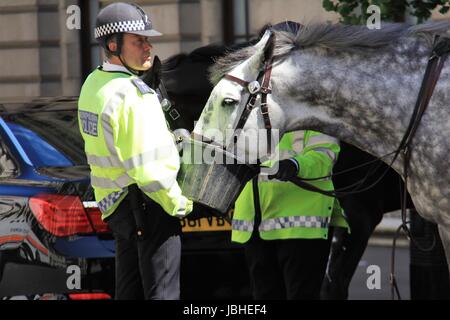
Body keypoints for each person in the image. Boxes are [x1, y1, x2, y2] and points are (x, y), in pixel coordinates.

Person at [78, 2, 192, 300]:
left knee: (128, 291)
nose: (148, 46)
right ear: (113, 45)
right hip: (150, 206)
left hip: (117, 206)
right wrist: (180, 204)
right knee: (162, 293)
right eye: (138, 40)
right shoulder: (133, 93)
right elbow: (149, 169)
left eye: (147, 39)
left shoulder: (93, 82)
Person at [232, 130, 347, 299]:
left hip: (301, 225)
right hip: (255, 224)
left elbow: (323, 157)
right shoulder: (251, 112)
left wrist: (295, 164)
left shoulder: (312, 113)